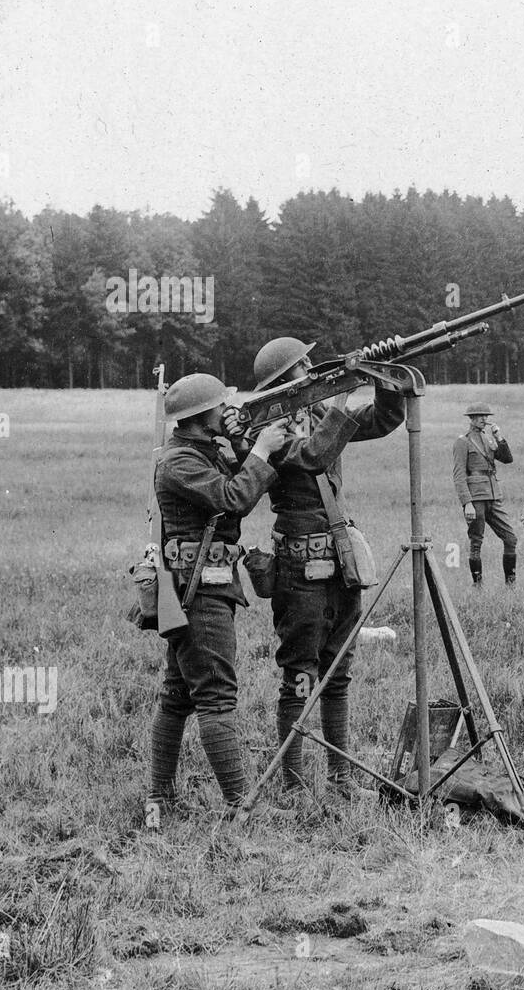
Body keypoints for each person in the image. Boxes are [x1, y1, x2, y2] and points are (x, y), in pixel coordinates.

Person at [248, 336, 405, 801]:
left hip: (339, 561)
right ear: (283, 381)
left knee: (338, 671)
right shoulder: (267, 428)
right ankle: (293, 784)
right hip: (300, 567)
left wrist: (383, 374)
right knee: (300, 672)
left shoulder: (318, 414)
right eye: (303, 367)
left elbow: (383, 419)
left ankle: (340, 778)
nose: (312, 369)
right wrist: (341, 391)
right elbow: (314, 454)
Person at [148, 373, 290, 818]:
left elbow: (235, 479)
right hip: (200, 588)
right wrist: (262, 450)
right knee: (216, 697)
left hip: (203, 583)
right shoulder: (179, 462)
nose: (226, 408)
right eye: (219, 406)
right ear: (197, 417)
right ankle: (239, 804)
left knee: (178, 695)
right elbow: (234, 498)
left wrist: (241, 440)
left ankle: (160, 798)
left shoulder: (199, 451)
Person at [452, 400, 517, 586]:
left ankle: (511, 585)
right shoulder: (462, 442)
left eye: (486, 416)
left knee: (511, 538)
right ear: (471, 419)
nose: (484, 419)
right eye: (480, 416)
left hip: (493, 495)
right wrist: (467, 503)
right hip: (476, 498)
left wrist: (499, 437)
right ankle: (478, 584)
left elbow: (507, 459)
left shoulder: (489, 439)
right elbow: (458, 475)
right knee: (476, 543)